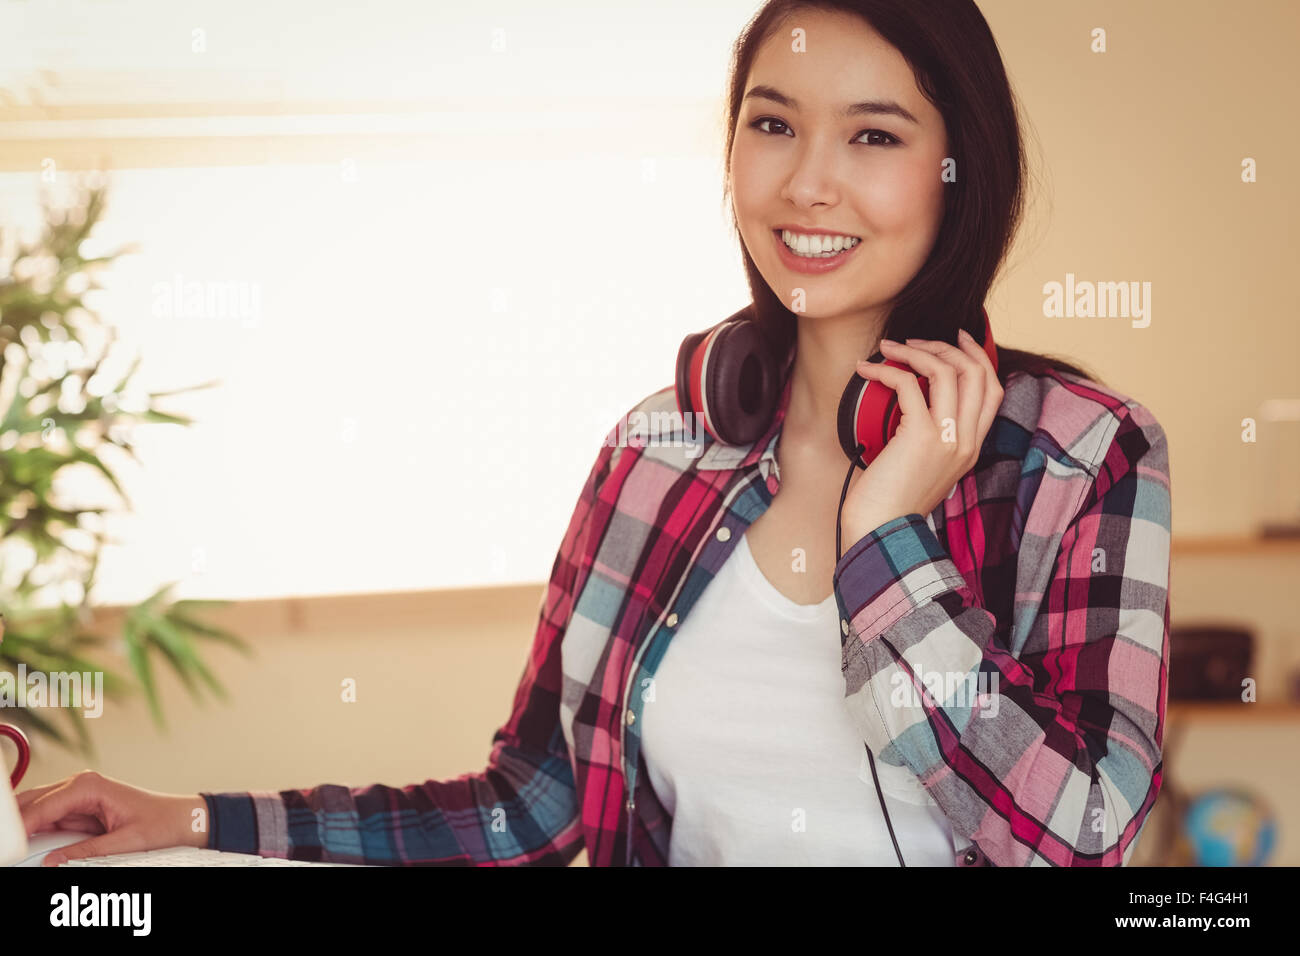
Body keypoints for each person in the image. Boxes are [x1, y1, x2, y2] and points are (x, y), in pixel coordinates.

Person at [17, 0, 1171, 867]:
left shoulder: (1083, 456)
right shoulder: (655, 450)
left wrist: (884, 543)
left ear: (957, 172)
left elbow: (1083, 836)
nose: (809, 182)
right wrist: (197, 817)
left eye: (873, 137)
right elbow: (527, 799)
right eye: (774, 125)